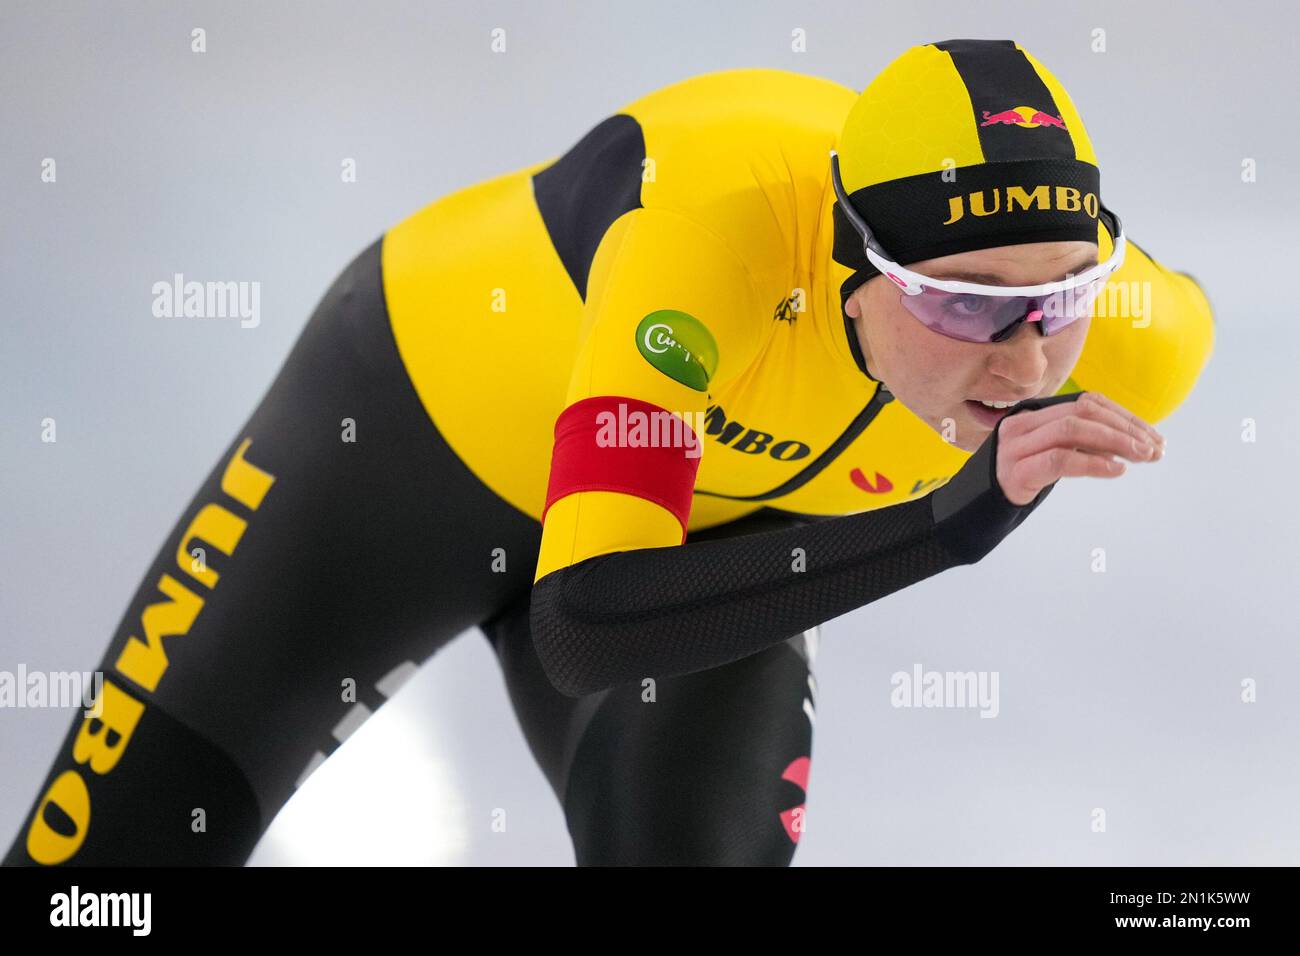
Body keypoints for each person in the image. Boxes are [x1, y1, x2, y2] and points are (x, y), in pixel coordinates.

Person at [4, 38, 1213, 867]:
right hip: (408, 445)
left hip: (689, 523)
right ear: (849, 261)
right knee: (107, 880)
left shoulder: (1136, 334)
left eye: (1059, 301)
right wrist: (944, 527)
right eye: (960, 303)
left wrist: (1022, 342)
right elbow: (581, 620)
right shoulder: (706, 236)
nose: (1021, 361)